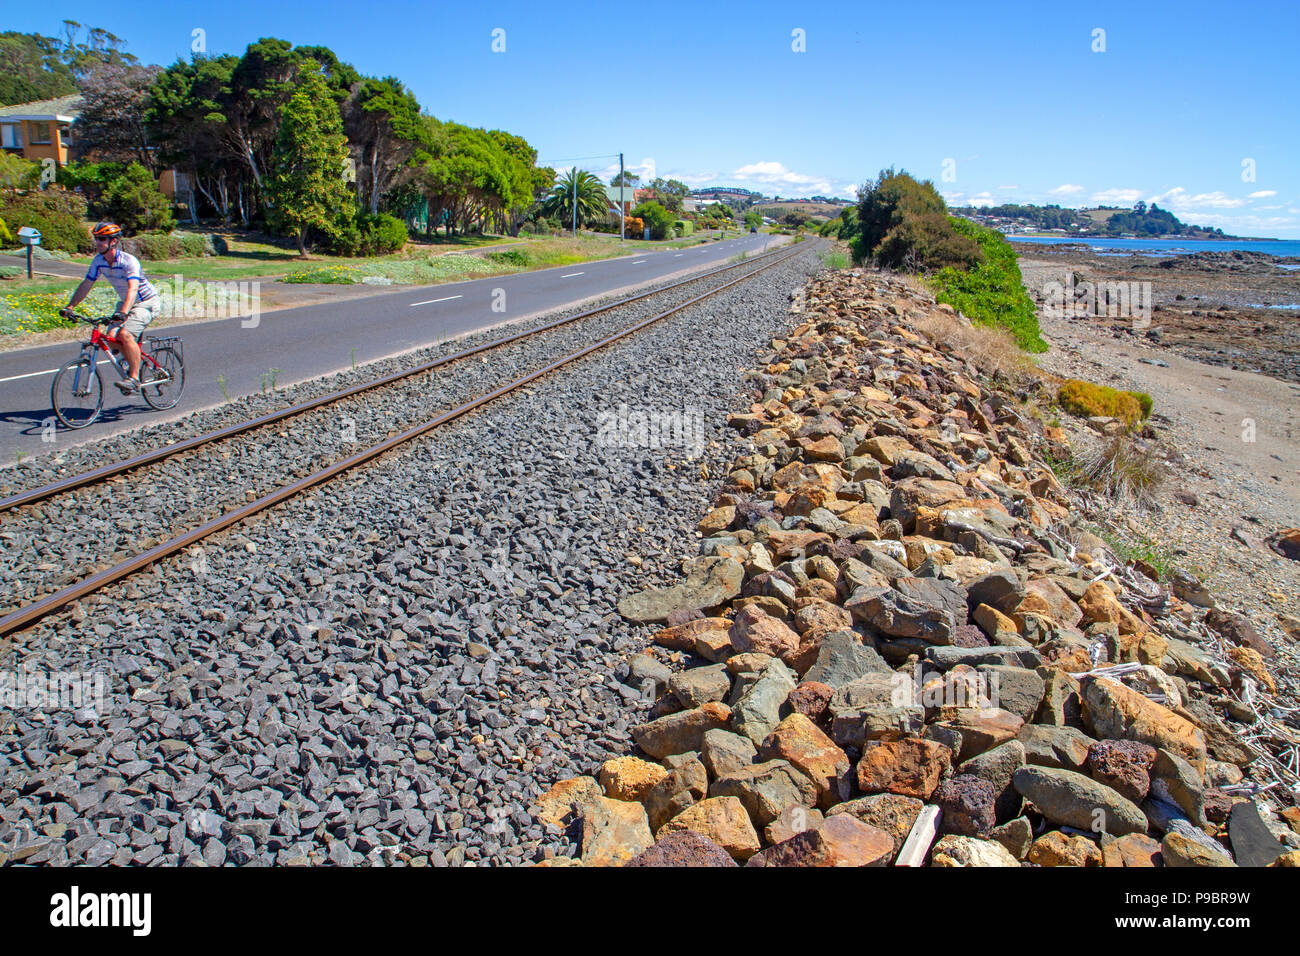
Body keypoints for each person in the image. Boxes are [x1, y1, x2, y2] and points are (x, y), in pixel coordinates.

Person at [60, 222, 162, 394]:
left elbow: (133, 289)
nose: (97, 242)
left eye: (101, 239)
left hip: (146, 302)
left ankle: (134, 378)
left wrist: (123, 312)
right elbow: (86, 284)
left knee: (124, 334)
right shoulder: (99, 261)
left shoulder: (129, 261)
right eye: (96, 238)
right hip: (126, 303)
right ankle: (132, 358)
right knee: (110, 338)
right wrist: (70, 306)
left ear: (113, 241)